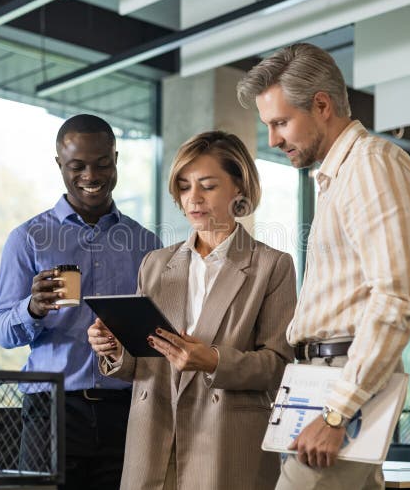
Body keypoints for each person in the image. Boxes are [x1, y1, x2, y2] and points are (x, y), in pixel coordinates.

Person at [237, 43, 410, 490]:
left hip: (342, 387)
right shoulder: (339, 177)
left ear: (321, 105)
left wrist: (338, 412)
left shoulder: (371, 168)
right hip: (322, 382)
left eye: (281, 122)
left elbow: (396, 298)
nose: (273, 139)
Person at [88, 131, 296, 490]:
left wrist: (214, 361)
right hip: (152, 440)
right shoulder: (154, 264)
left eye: (208, 186)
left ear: (239, 190)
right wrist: (114, 348)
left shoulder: (271, 266)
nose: (193, 199)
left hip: (224, 445)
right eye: (184, 187)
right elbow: (143, 361)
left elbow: (278, 366)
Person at [0, 114, 161, 490]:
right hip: (51, 412)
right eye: (77, 166)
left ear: (116, 158)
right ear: (58, 165)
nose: (91, 175)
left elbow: (157, 332)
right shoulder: (28, 239)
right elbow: (1, 330)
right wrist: (31, 308)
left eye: (102, 163)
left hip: (126, 411)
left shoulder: (145, 244)